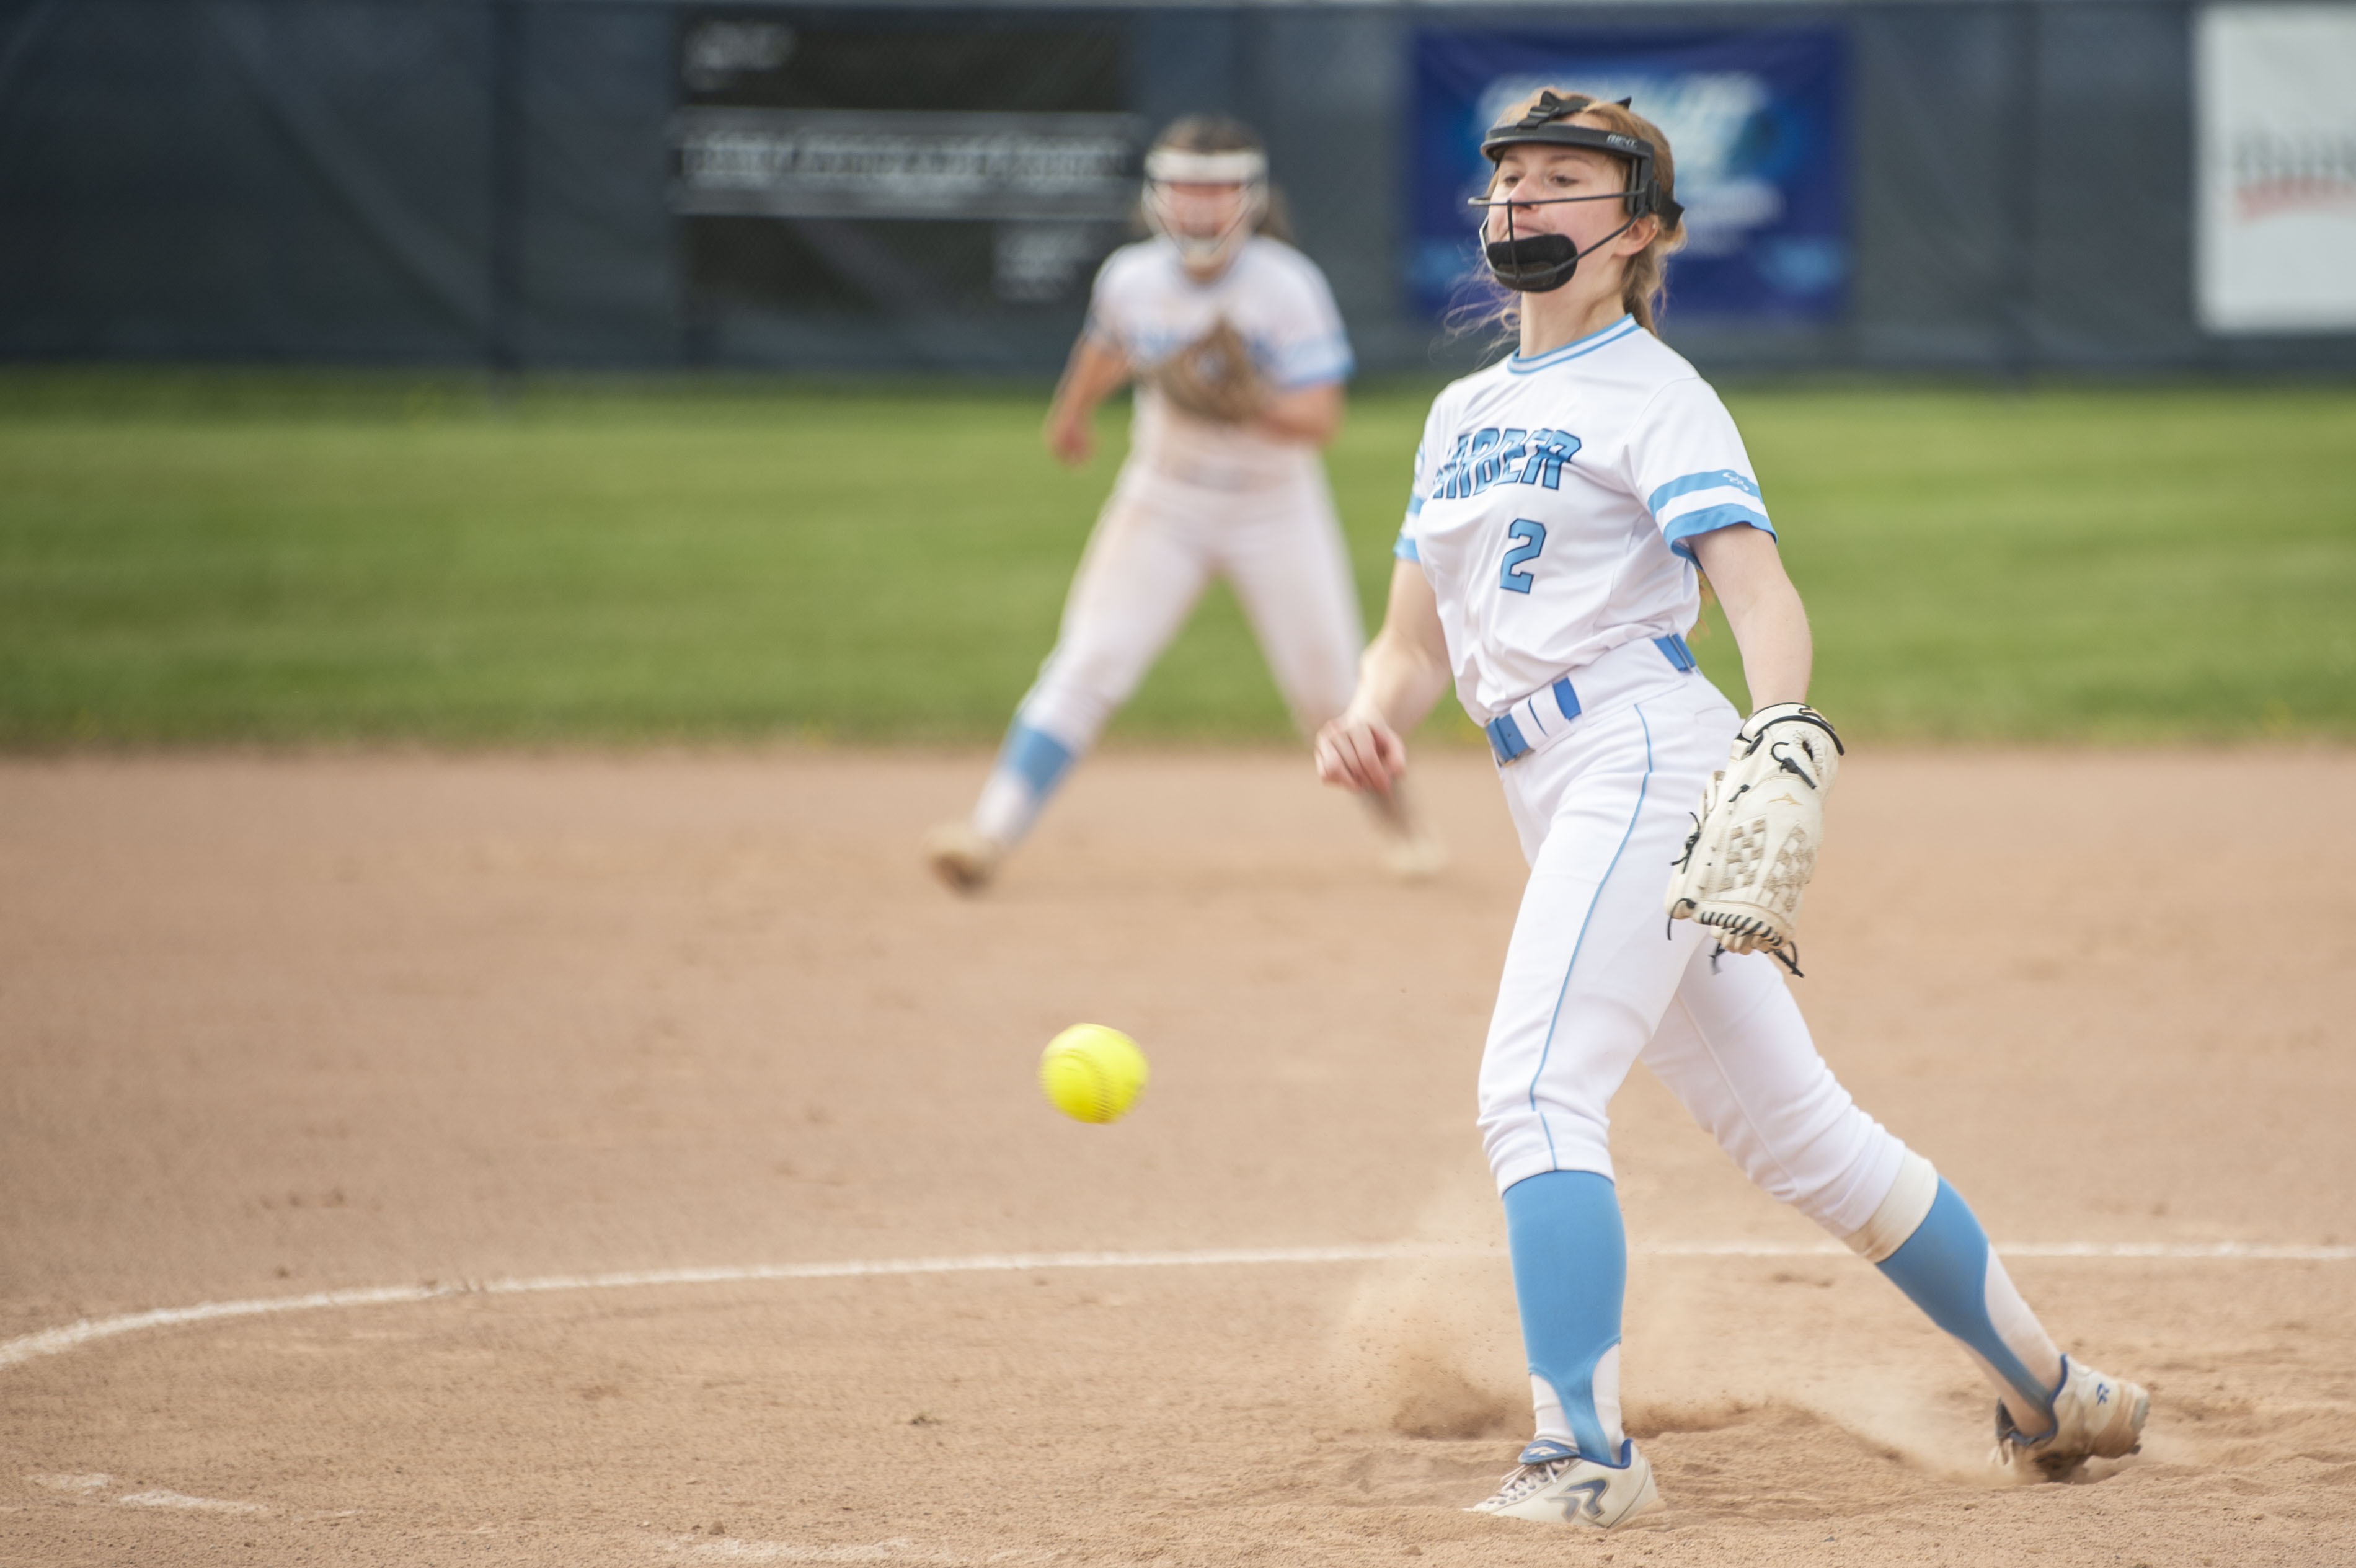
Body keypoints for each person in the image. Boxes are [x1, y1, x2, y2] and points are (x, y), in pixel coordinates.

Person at [1313, 89, 2147, 1528]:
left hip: (1642, 756)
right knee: (1800, 1138)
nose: (1521, 202)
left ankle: (1585, 1454)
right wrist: (1370, 721)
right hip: (1549, 779)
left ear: (1635, 227)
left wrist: (1774, 736)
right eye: (1507, 179)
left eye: (1563, 181)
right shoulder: (1458, 413)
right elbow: (1407, 639)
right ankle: (2048, 1388)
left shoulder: (1656, 394)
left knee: (1530, 1089)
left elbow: (1753, 590)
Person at [924, 115, 1442, 893]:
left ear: (1250, 197)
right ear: (1157, 197)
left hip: (1273, 509)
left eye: (1218, 188)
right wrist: (1070, 414)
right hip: (1161, 499)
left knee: (1327, 690)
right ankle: (988, 835)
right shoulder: (1131, 277)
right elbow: (1105, 344)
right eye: (1185, 189)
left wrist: (1239, 405)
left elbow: (1319, 419)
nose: (1200, 206)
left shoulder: (1286, 285)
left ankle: (1399, 829)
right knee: (1089, 662)